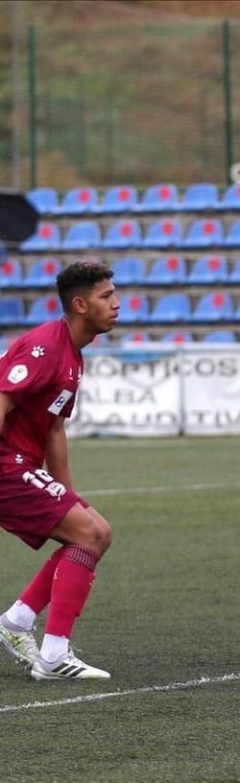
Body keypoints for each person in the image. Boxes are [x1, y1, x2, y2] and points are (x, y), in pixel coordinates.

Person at [0, 260, 118, 680]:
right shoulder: (45, 347)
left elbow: (53, 428)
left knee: (96, 532)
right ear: (81, 305)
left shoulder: (73, 353)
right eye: (107, 296)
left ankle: (17, 621)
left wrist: (68, 496)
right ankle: (53, 656)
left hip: (20, 466)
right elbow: (2, 399)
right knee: (89, 534)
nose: (117, 304)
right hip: (5, 467)